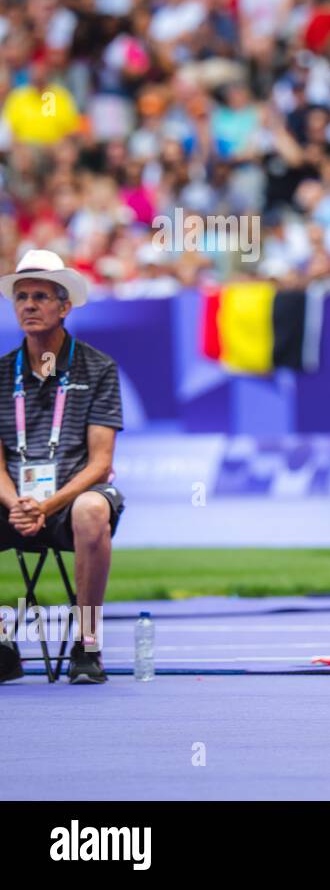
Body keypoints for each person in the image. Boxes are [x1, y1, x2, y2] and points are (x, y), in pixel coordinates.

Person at [0, 250, 126, 684]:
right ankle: (1, 643)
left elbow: (101, 463)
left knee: (93, 509)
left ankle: (87, 646)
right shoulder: (1, 374)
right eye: (21, 297)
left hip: (72, 500)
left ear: (64, 305)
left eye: (40, 296)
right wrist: (17, 502)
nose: (29, 306)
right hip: (14, 501)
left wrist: (47, 505)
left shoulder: (98, 368)